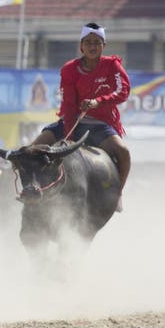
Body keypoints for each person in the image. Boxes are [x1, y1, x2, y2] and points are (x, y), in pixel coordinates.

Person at [31, 22, 131, 211]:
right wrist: (70, 137)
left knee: (123, 152)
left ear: (104, 46)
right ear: (81, 46)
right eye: (88, 42)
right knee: (32, 149)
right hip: (72, 122)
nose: (92, 46)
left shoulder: (112, 65)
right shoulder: (69, 69)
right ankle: (30, 191)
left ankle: (117, 194)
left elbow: (123, 91)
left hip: (101, 125)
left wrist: (98, 102)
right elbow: (68, 105)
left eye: (97, 43)